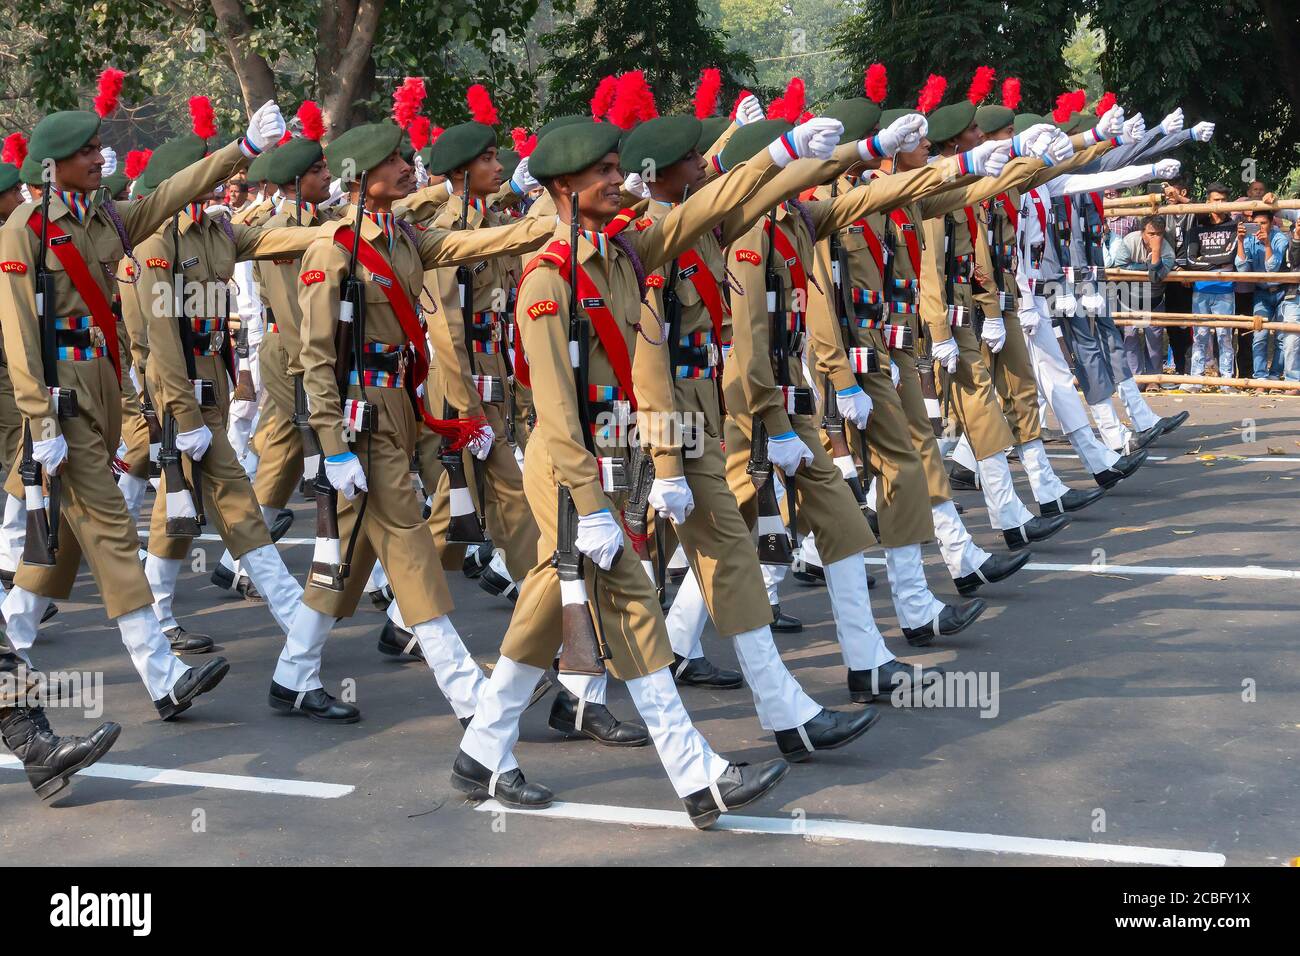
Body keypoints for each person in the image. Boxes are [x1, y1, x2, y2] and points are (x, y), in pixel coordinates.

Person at [455, 114, 837, 827]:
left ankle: (480, 751)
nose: (614, 177)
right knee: (633, 604)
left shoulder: (627, 252)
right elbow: (556, 412)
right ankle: (701, 779)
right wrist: (591, 506)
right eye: (598, 171)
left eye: (614, 166)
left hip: (615, 453)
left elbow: (708, 207)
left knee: (545, 601)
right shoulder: (547, 279)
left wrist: (780, 155)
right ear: (563, 187)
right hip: (570, 466)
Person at [0, 101, 286, 720]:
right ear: (52, 167)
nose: (98, 156)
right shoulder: (24, 230)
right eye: (84, 151)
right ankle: (163, 674)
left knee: (65, 548)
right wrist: (41, 422)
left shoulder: (108, 218)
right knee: (109, 530)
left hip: (103, 386)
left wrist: (245, 148)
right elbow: (22, 336)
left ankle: (12, 645)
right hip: (61, 394)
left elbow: (177, 187)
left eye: (99, 146)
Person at [281, 120, 556, 724]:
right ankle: (467, 692)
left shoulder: (401, 238)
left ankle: (293, 673)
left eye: (406, 156)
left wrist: (550, 222)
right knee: (409, 545)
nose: (408, 166)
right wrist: (333, 448)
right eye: (395, 159)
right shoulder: (333, 250)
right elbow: (317, 361)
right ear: (363, 177)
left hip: (397, 408)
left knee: (345, 557)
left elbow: (465, 246)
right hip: (360, 419)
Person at [1186, 182, 1240, 390]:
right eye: (1216, 200)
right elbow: (1191, 261)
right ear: (1208, 201)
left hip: (1225, 290)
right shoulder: (1197, 228)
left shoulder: (1234, 226)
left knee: (1225, 336)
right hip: (1201, 289)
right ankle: (1196, 379)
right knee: (1200, 335)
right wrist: (1218, 263)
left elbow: (1231, 256)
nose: (1219, 204)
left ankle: (1226, 380)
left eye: (1223, 200)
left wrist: (1206, 260)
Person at [1110, 215, 1175, 379]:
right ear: (1142, 232)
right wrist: (1146, 267)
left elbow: (1155, 277)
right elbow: (1120, 266)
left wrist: (1156, 252)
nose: (1155, 237)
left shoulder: (1167, 249)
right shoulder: (1130, 240)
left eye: (1159, 234)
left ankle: (1154, 379)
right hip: (1129, 296)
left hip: (1154, 297)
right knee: (1130, 339)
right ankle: (1136, 378)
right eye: (1151, 234)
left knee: (1154, 340)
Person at [1235, 208, 1290, 381]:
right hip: (1261, 292)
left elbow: (1272, 268)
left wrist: (1267, 245)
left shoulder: (1280, 238)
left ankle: (1274, 376)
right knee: (1259, 334)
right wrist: (1241, 242)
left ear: (1272, 222)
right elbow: (1242, 269)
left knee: (1282, 336)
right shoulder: (1249, 238)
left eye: (1263, 223)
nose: (1259, 227)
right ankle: (1260, 377)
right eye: (1256, 223)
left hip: (1282, 291)